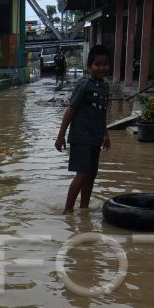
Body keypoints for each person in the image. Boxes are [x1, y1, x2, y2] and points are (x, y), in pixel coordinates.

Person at [54, 44, 113, 214]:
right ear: (89, 66)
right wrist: (60, 136)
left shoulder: (104, 87)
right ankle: (67, 211)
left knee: (91, 175)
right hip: (81, 137)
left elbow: (102, 114)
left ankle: (84, 209)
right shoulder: (84, 84)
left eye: (105, 64)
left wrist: (106, 135)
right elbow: (70, 110)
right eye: (97, 64)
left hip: (95, 138)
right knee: (81, 175)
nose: (101, 68)